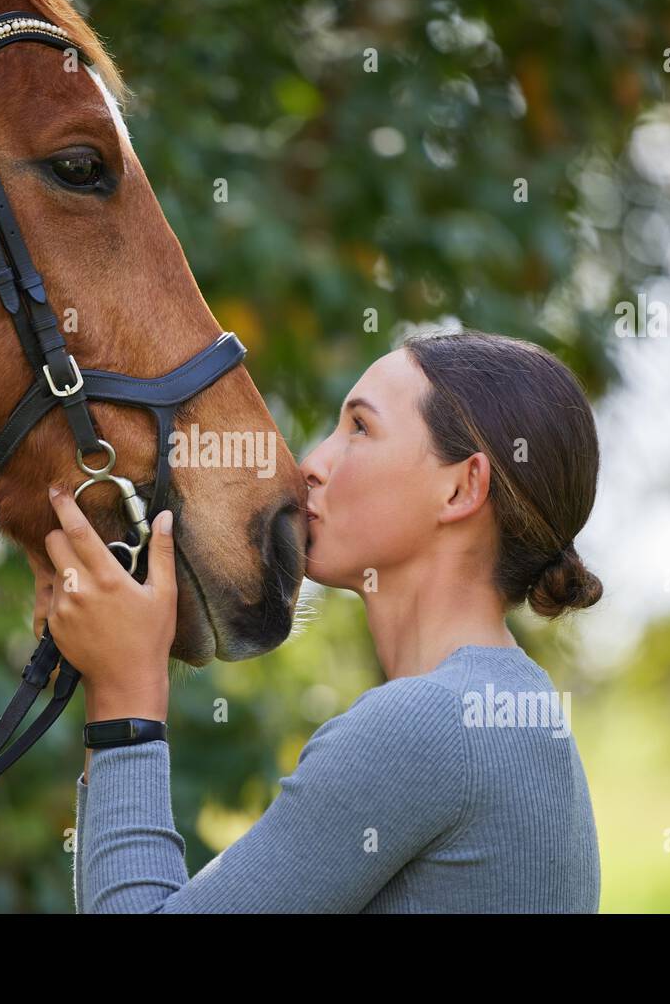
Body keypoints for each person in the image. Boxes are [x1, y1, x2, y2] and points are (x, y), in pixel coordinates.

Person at [33, 328, 604, 913]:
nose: (311, 464)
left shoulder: (420, 729)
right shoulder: (524, 713)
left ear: (462, 488)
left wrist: (126, 693)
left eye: (360, 428)